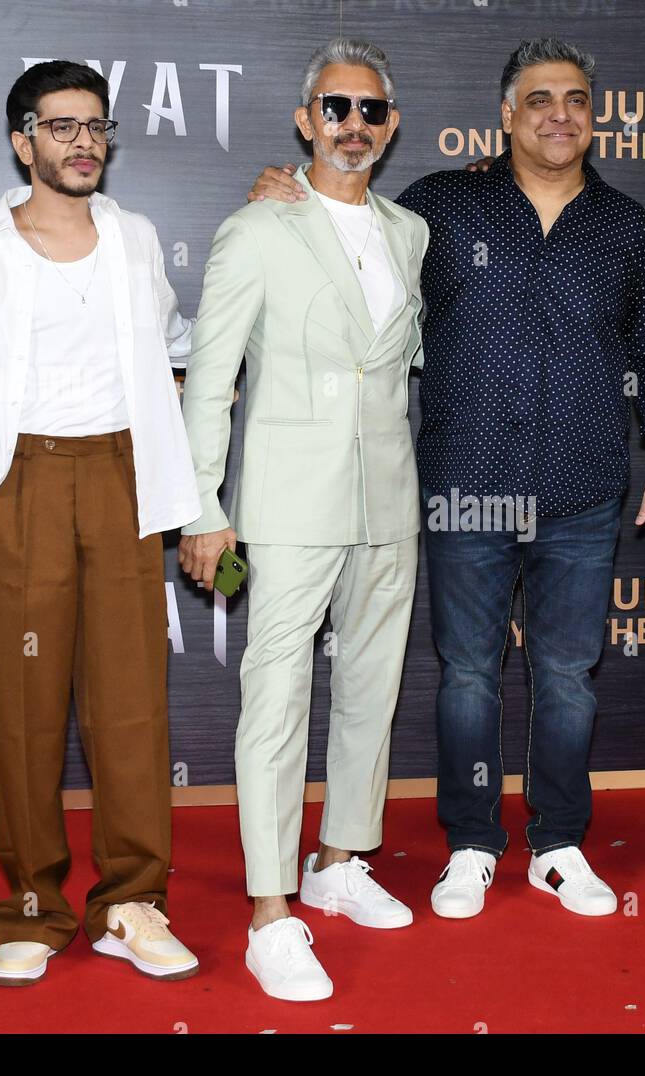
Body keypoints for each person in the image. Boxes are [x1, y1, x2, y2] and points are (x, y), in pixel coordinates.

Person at [248, 37, 645, 921]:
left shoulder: (627, 228)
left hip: (582, 487)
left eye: (574, 99)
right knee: (466, 675)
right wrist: (290, 196)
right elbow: (351, 243)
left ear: (593, 117)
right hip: (465, 485)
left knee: (568, 675)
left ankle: (560, 842)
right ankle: (472, 845)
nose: (558, 114)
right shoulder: (437, 209)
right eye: (539, 99)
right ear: (506, 114)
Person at [0, 60, 202, 985]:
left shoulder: (137, 239)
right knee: (27, 710)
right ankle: (32, 913)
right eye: (62, 125)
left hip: (124, 478)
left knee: (129, 705)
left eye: (96, 126)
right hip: (21, 483)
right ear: (22, 139)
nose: (83, 142)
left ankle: (132, 905)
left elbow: (175, 345)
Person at [179, 39, 427, 1002]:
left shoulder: (411, 233)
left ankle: (339, 860)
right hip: (284, 504)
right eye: (336, 108)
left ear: (392, 124)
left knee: (371, 686)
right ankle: (270, 910)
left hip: (388, 501)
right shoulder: (257, 228)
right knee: (276, 702)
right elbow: (212, 379)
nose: (353, 126)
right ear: (304, 118)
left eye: (370, 110)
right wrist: (204, 505)